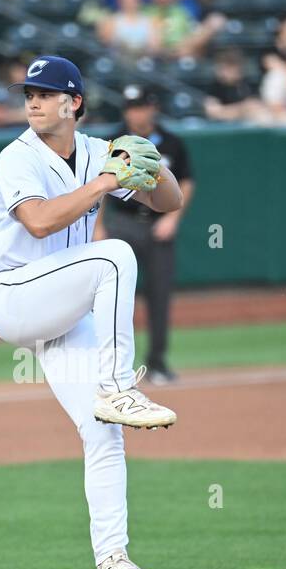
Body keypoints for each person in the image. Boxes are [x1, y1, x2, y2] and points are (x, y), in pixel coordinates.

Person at [0, 55, 183, 569]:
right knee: (113, 255)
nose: (34, 101)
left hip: (61, 309)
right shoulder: (14, 158)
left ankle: (114, 562)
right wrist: (107, 181)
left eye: (45, 93)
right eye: (29, 93)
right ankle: (119, 386)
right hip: (12, 294)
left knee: (104, 431)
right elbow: (40, 222)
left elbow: (169, 202)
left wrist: (153, 169)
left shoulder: (97, 151)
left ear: (75, 103)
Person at [99, 84, 194, 384]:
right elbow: (99, 187)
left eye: (140, 106)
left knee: (160, 295)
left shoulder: (170, 142)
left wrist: (173, 219)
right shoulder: (112, 142)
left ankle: (157, 364)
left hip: (158, 225)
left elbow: (187, 181)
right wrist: (99, 227)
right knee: (112, 298)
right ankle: (111, 368)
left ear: (152, 107)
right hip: (123, 224)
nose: (134, 113)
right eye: (130, 107)